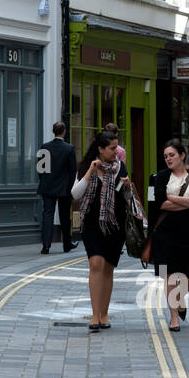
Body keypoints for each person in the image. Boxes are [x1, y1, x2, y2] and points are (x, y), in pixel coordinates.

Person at [72, 131, 129, 333]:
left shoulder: (120, 167)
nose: (117, 151)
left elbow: (124, 193)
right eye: (113, 148)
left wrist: (127, 186)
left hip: (115, 225)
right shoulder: (85, 166)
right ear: (101, 149)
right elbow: (75, 193)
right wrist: (89, 172)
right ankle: (95, 315)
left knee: (108, 268)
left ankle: (104, 314)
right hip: (92, 224)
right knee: (96, 263)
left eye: (116, 147)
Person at [149, 140, 189, 332]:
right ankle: (174, 317)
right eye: (165, 156)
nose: (168, 159)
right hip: (165, 234)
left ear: (182, 155)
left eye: (171, 155)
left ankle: (179, 299)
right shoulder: (161, 177)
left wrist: (173, 198)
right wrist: (188, 201)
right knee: (170, 276)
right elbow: (160, 203)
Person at [37, 121, 78, 254]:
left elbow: (40, 169)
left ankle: (46, 246)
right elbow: (73, 171)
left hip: (48, 186)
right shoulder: (69, 148)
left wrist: (45, 181)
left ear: (53, 131)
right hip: (64, 188)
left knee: (47, 214)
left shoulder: (44, 147)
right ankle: (67, 244)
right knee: (65, 216)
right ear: (64, 131)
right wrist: (71, 188)